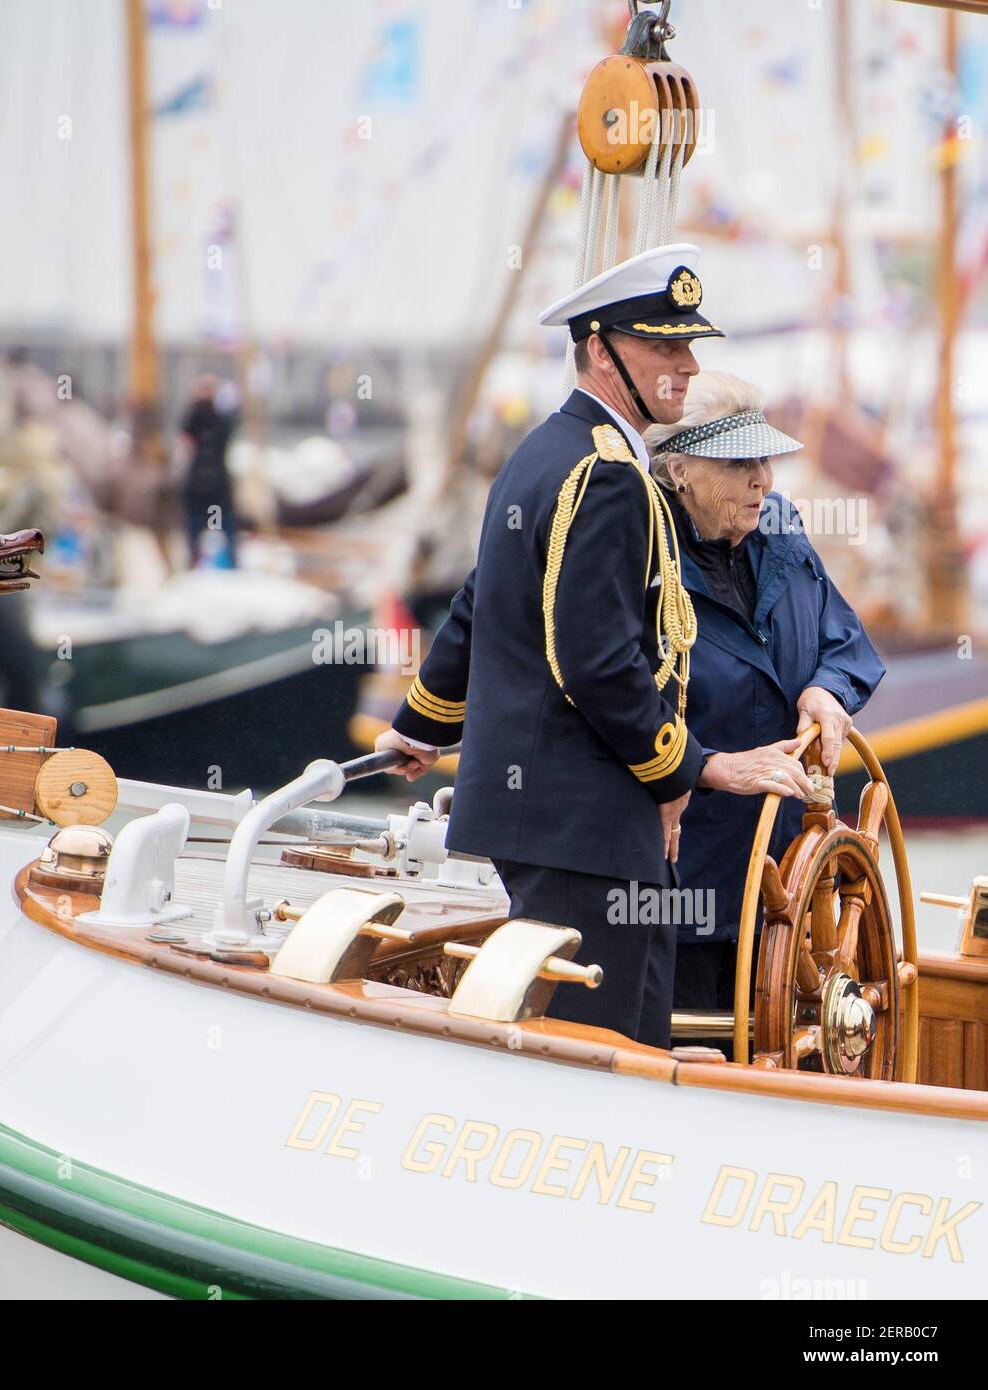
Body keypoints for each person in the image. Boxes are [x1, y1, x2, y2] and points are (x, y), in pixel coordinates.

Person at [374, 243, 815, 1048]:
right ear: (600, 350)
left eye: (687, 347)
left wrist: (424, 724)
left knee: (585, 1043)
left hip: (547, 821)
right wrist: (694, 768)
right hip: (586, 826)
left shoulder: (547, 452)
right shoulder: (607, 473)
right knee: (610, 1054)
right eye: (661, 346)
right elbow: (597, 664)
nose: (683, 365)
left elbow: (483, 603)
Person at [643, 373, 885, 1012]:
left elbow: (843, 642)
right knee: (695, 1051)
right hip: (680, 882)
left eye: (764, 459)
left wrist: (827, 691)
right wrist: (712, 767)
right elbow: (611, 699)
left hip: (788, 883)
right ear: (679, 472)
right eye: (738, 463)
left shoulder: (780, 531)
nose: (763, 481)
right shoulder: (637, 556)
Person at [179, 374, 238, 565]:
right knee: (195, 534)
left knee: (217, 530)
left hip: (215, 492)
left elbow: (228, 426)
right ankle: (195, 564)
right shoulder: (194, 419)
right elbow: (186, 433)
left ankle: (221, 565)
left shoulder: (220, 420)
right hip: (198, 491)